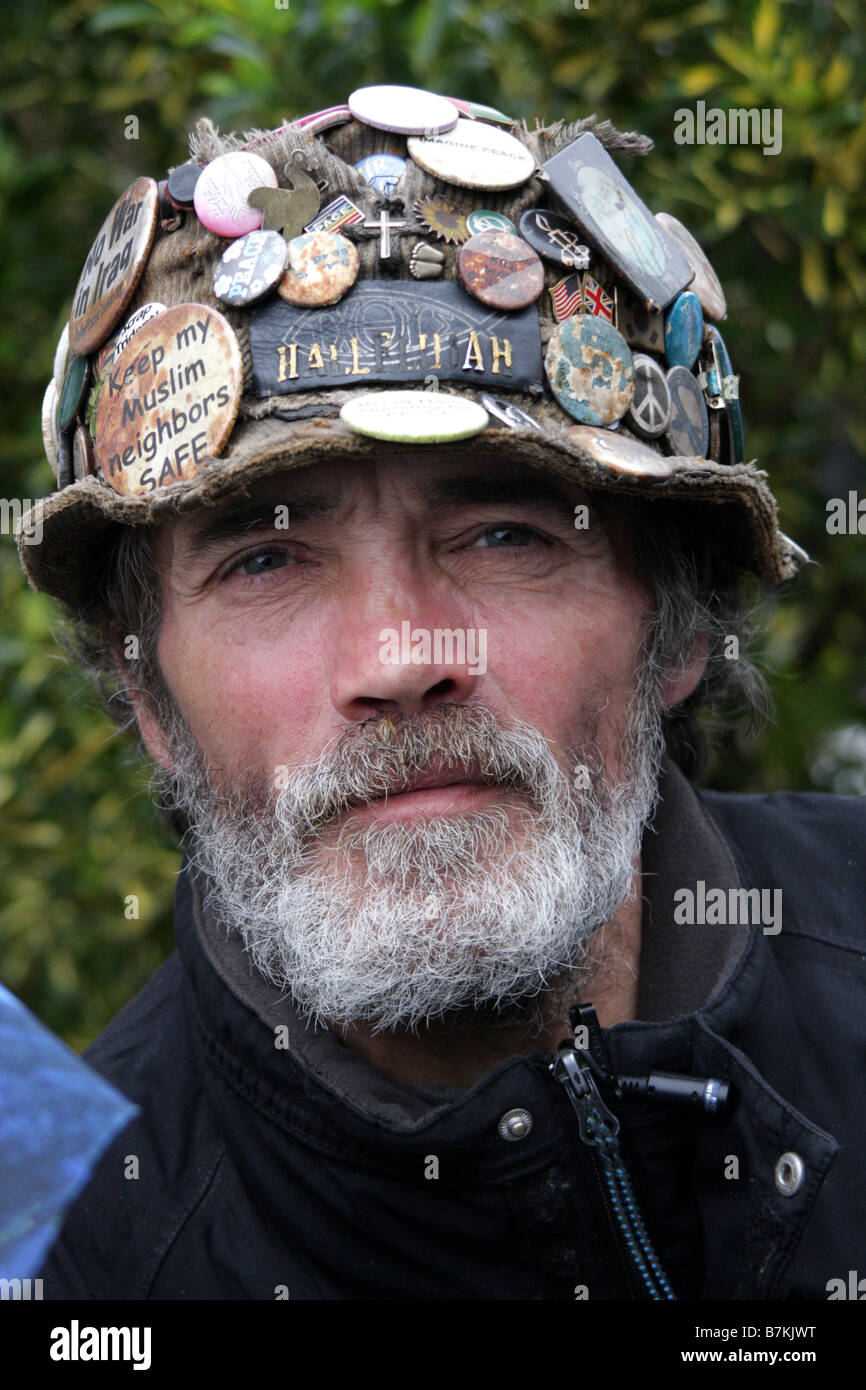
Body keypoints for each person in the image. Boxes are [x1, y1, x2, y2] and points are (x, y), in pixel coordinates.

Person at [18, 89, 865, 1302]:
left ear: (673, 623)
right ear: (149, 696)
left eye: (506, 536)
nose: (400, 655)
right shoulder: (78, 1264)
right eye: (262, 558)